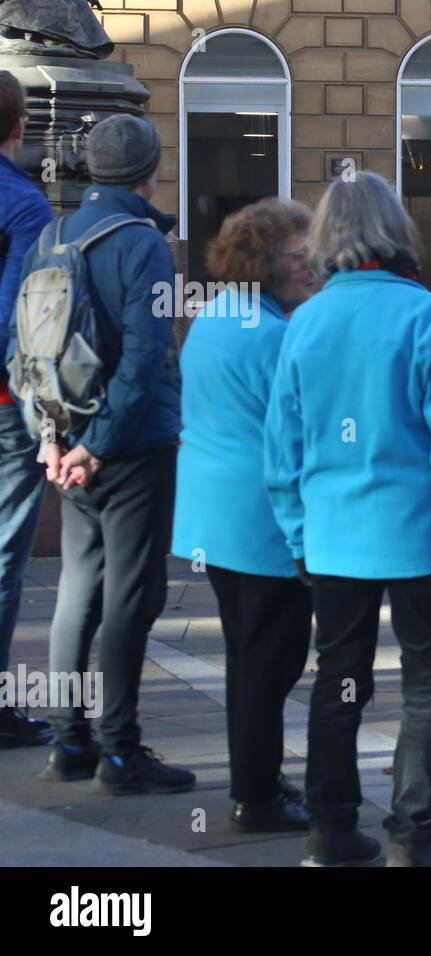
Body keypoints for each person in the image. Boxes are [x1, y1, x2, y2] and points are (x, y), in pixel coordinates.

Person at [265, 171, 431, 868]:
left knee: (339, 683)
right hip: (418, 537)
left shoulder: (305, 322)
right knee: (427, 687)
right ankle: (411, 839)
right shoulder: (430, 317)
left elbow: (284, 446)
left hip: (334, 540)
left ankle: (329, 832)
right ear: (397, 231)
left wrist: (297, 532)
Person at [32, 114, 193, 793]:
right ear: (149, 172)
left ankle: (70, 742)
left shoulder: (52, 232)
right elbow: (147, 360)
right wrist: (100, 447)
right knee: (130, 598)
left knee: (77, 592)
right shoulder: (143, 243)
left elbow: (28, 349)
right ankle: (121, 751)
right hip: (130, 450)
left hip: (66, 444)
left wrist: (54, 440)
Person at [171, 198, 319, 832]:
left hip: (215, 518)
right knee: (271, 663)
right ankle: (256, 798)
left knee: (249, 657)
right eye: (301, 255)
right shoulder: (275, 336)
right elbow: (303, 438)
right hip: (261, 523)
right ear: (266, 263)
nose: (314, 265)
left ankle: (256, 776)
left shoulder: (216, 316)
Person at [0, 71, 55, 749]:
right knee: (5, 552)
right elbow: (23, 324)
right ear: (18, 129)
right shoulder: (24, 206)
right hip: (6, 402)